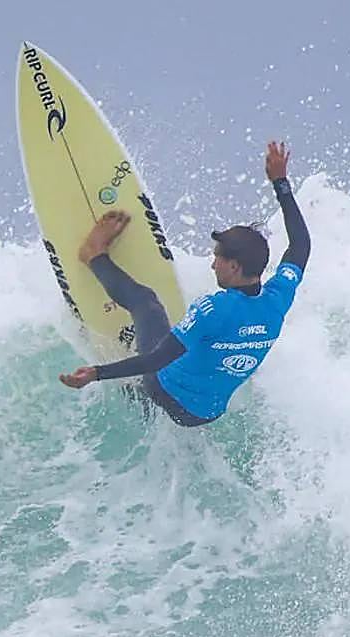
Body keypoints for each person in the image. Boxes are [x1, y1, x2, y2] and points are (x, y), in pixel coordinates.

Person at [58, 141, 311, 427]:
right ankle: (137, 396)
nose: (212, 264)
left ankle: (94, 255)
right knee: (185, 354)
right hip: (205, 415)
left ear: (234, 266)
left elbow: (156, 360)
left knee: (147, 303)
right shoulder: (277, 298)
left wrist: (96, 373)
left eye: (217, 258)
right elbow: (300, 245)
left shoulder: (214, 308)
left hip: (165, 390)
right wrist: (281, 183)